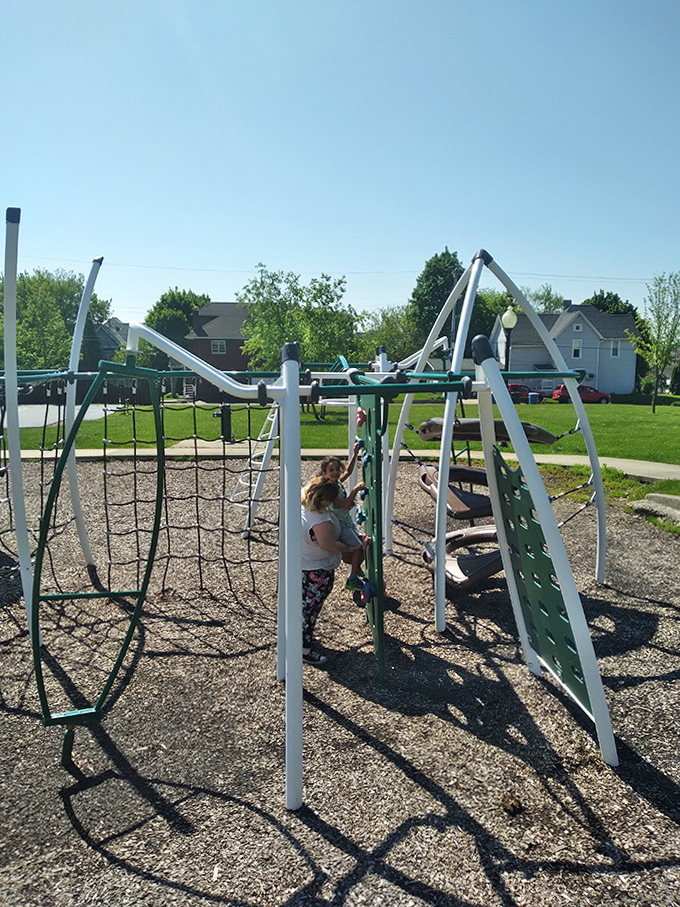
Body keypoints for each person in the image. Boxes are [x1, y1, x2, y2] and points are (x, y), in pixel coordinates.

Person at [301, 476, 362, 666]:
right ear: (322, 499)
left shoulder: (301, 503)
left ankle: (301, 640)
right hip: (317, 571)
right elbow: (328, 544)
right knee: (309, 609)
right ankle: (303, 649)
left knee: (302, 605)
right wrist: (349, 548)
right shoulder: (320, 519)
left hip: (303, 565)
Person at [318, 445, 367, 591]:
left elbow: (348, 471)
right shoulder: (330, 489)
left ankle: (355, 569)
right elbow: (345, 504)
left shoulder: (337, 482)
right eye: (331, 470)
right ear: (325, 473)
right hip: (340, 524)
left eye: (336, 469)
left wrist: (355, 454)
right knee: (357, 548)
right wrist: (355, 490)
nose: (335, 473)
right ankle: (352, 579)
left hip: (346, 521)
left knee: (362, 546)